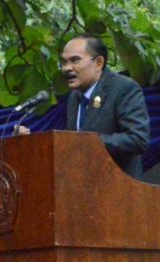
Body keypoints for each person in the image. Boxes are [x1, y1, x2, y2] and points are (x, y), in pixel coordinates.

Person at [17, 35, 150, 178]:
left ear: (98, 63)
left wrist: (85, 143)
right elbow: (70, 147)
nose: (67, 68)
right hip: (82, 189)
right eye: (64, 62)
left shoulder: (123, 88)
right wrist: (31, 142)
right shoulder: (74, 97)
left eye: (75, 60)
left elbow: (138, 139)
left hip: (119, 190)